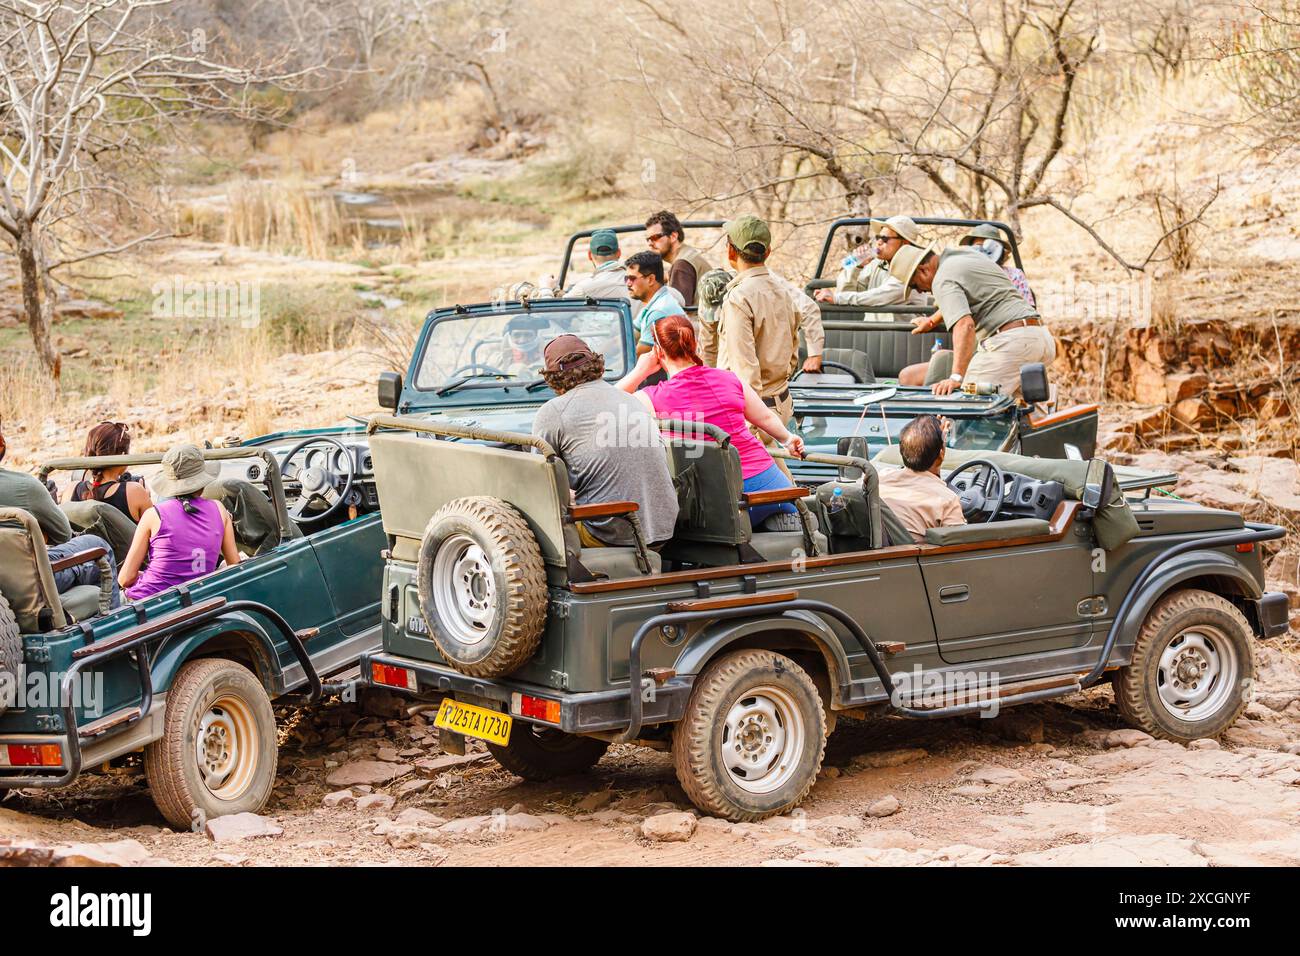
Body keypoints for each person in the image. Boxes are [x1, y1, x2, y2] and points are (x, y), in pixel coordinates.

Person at [616, 313, 806, 529]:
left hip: (718, 503)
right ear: (694, 344)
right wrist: (788, 439)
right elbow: (765, 417)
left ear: (658, 351)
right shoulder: (730, 379)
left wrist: (640, 370)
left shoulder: (651, 398)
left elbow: (605, 402)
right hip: (771, 487)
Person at [532, 334, 679, 549]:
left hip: (609, 535)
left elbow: (540, 482)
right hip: (663, 530)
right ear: (596, 364)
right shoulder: (631, 399)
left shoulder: (553, 411)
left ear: (551, 378)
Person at [890, 243, 1056, 398]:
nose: (920, 292)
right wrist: (932, 320)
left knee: (968, 405)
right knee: (1027, 412)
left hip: (1009, 344)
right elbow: (966, 297)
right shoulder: (964, 255)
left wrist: (956, 377)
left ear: (923, 270)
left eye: (915, 285)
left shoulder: (942, 279)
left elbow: (965, 325)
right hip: (1038, 337)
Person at [0, 420, 121, 607]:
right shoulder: (25, 486)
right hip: (28, 584)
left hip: (6, 585)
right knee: (99, 546)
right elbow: (63, 535)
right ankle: (113, 617)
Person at [714, 215, 801, 476]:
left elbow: (745, 371)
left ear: (730, 251)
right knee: (779, 481)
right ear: (768, 251)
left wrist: (748, 424)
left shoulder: (739, 297)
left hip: (753, 410)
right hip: (779, 401)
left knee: (755, 487)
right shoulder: (783, 290)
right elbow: (793, 354)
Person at [119, 444, 241, 601]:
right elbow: (234, 565)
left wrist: (148, 575)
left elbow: (125, 579)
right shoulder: (220, 510)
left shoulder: (153, 515)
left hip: (147, 602)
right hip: (197, 599)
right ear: (202, 480)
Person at [877, 415, 965, 543]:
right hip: (915, 555)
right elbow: (958, 545)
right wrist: (940, 441)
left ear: (901, 451)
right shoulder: (947, 500)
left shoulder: (880, 479)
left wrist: (937, 438)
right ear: (941, 454)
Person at [814, 215, 930, 309]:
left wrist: (836, 298)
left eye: (885, 239)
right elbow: (847, 291)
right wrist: (857, 267)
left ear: (904, 243)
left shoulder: (912, 270)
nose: (879, 242)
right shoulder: (877, 264)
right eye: (878, 237)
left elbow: (878, 296)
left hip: (902, 330)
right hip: (872, 329)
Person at [70, 421, 153, 522]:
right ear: (122, 455)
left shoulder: (71, 489)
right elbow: (156, 528)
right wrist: (146, 497)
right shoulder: (134, 491)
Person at [644, 211, 715, 307]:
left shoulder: (681, 265)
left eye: (655, 237)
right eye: (648, 239)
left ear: (673, 236)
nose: (650, 243)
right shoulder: (688, 255)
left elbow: (677, 311)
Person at [624, 250, 686, 357]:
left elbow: (636, 357)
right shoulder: (655, 303)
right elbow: (627, 336)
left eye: (632, 278)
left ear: (651, 279)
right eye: (626, 278)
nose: (628, 283)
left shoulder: (659, 311)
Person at [959, 223, 1035, 307]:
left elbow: (1028, 308)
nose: (983, 251)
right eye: (978, 247)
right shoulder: (963, 276)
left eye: (989, 247)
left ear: (998, 250)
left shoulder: (1015, 275)